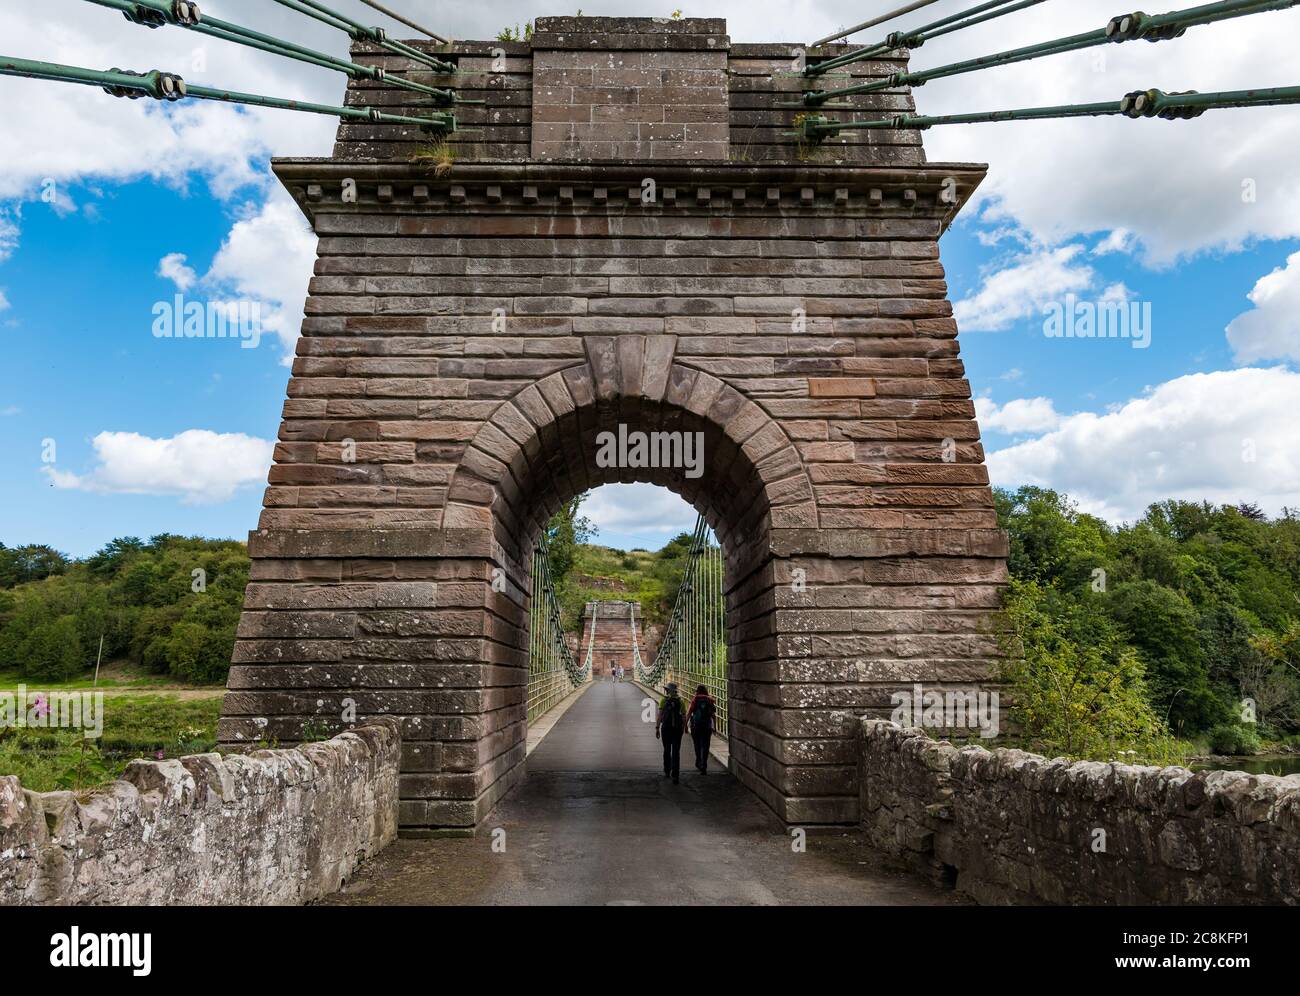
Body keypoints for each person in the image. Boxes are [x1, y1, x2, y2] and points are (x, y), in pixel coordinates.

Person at [655, 682, 686, 783]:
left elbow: (660, 715)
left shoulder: (664, 700)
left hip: (666, 729)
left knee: (667, 749)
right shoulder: (680, 701)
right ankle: (675, 774)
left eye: (666, 689)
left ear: (668, 690)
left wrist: (657, 727)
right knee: (676, 751)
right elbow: (683, 716)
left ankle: (667, 770)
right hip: (677, 729)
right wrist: (685, 727)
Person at [687, 684, 715, 774]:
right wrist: (715, 728)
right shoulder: (709, 699)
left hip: (696, 726)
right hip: (707, 726)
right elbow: (713, 715)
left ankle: (698, 761)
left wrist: (685, 725)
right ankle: (704, 765)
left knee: (697, 745)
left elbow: (689, 712)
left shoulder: (695, 699)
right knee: (706, 746)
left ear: (697, 691)